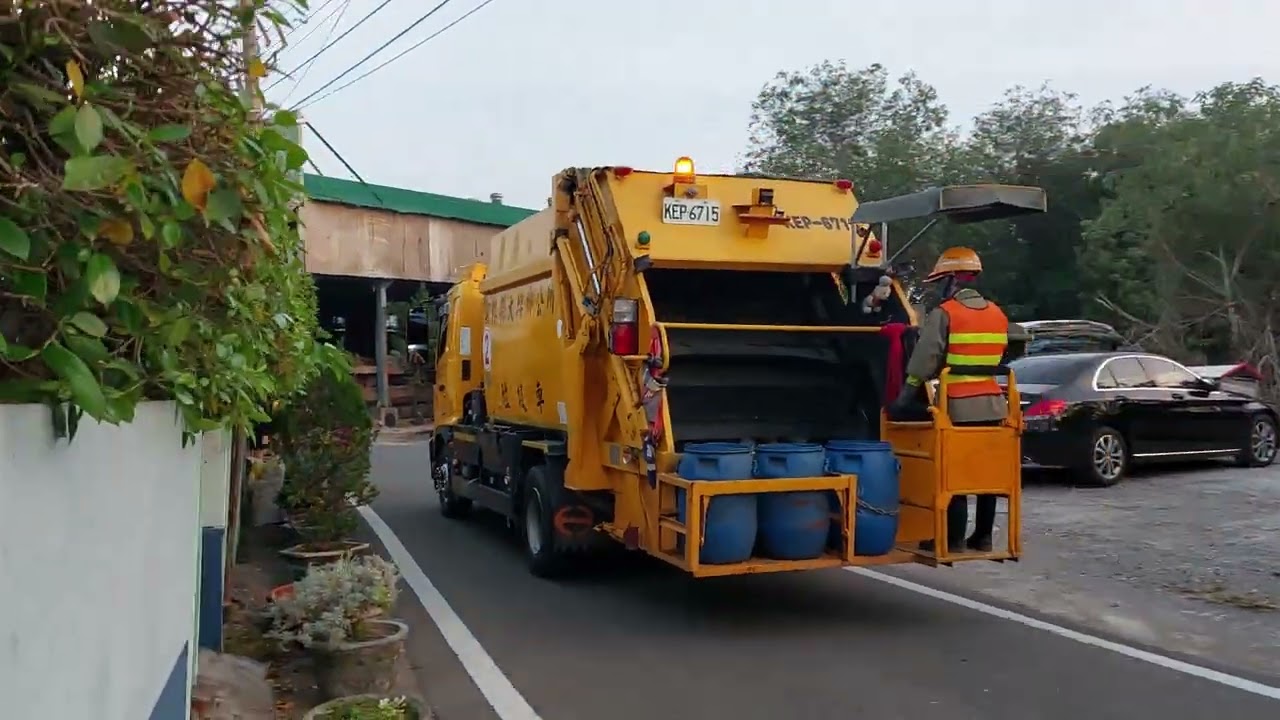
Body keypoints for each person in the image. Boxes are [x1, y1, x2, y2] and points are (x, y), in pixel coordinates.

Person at [887, 247, 1028, 553]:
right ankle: (984, 538)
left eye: (941, 282)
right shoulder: (997, 313)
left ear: (951, 281)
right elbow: (1011, 348)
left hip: (959, 406)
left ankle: (952, 540)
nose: (939, 288)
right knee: (988, 476)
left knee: (955, 477)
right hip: (994, 404)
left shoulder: (946, 313)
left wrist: (905, 395)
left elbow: (925, 360)